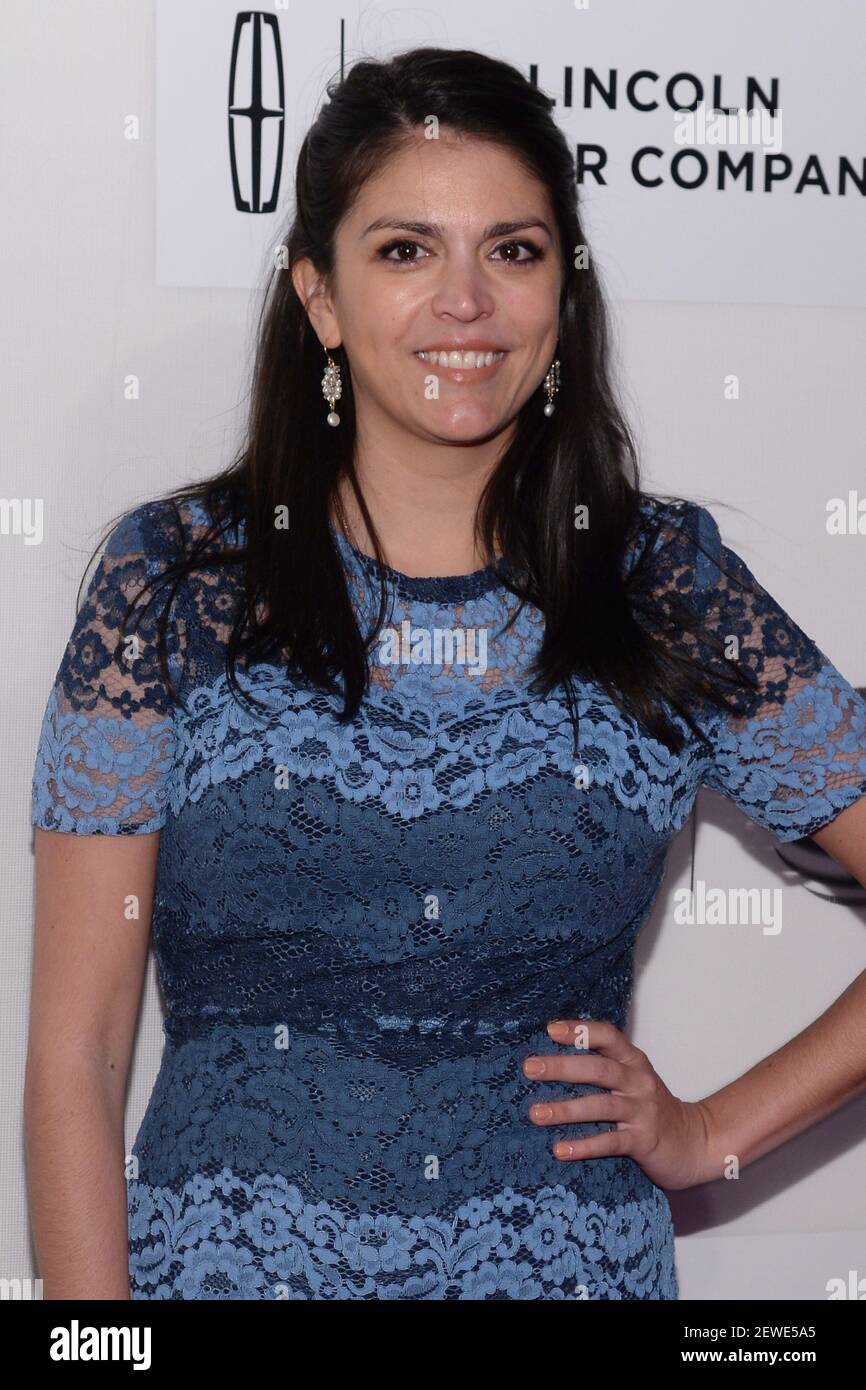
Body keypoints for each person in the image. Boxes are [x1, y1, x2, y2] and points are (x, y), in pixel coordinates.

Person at [25, 47, 866, 1301]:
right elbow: (78, 1058)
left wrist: (709, 1134)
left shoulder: (658, 581)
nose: (464, 303)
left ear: (560, 292)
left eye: (513, 251)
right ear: (319, 296)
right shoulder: (174, 582)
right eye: (405, 250)